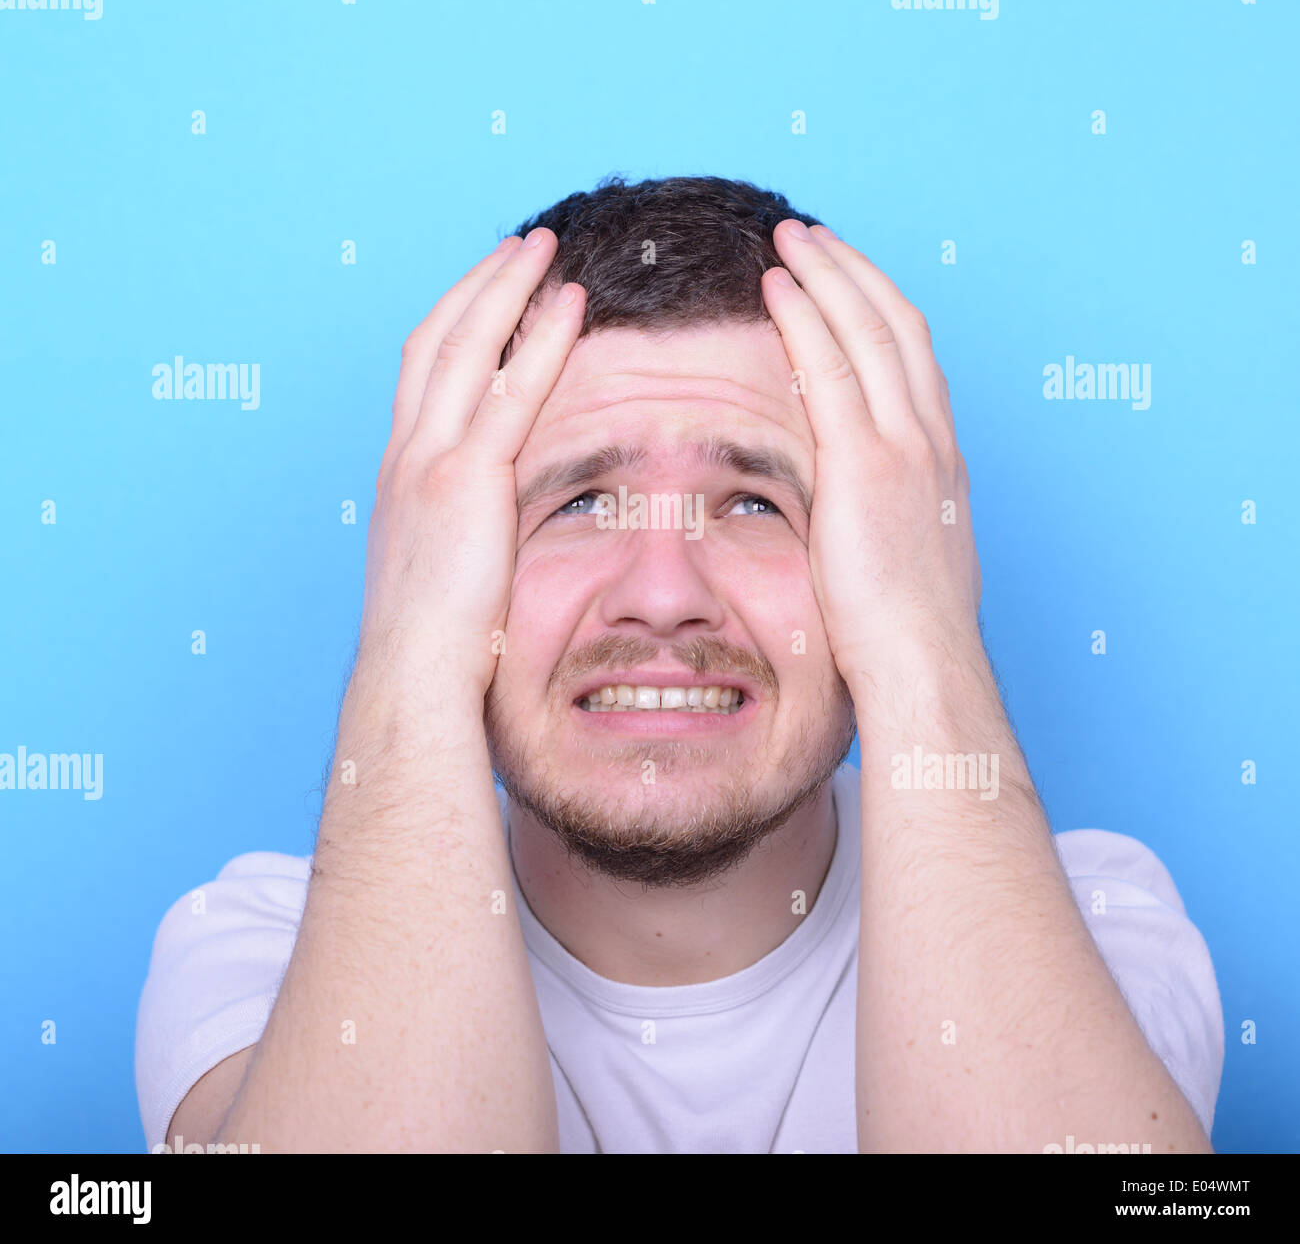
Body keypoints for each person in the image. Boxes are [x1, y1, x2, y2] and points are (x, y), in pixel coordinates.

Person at [135, 176, 1223, 1153]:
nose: (662, 593)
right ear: (443, 559)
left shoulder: (1091, 925)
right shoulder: (268, 959)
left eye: (755, 501)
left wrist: (921, 636)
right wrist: (412, 655)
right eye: (578, 503)